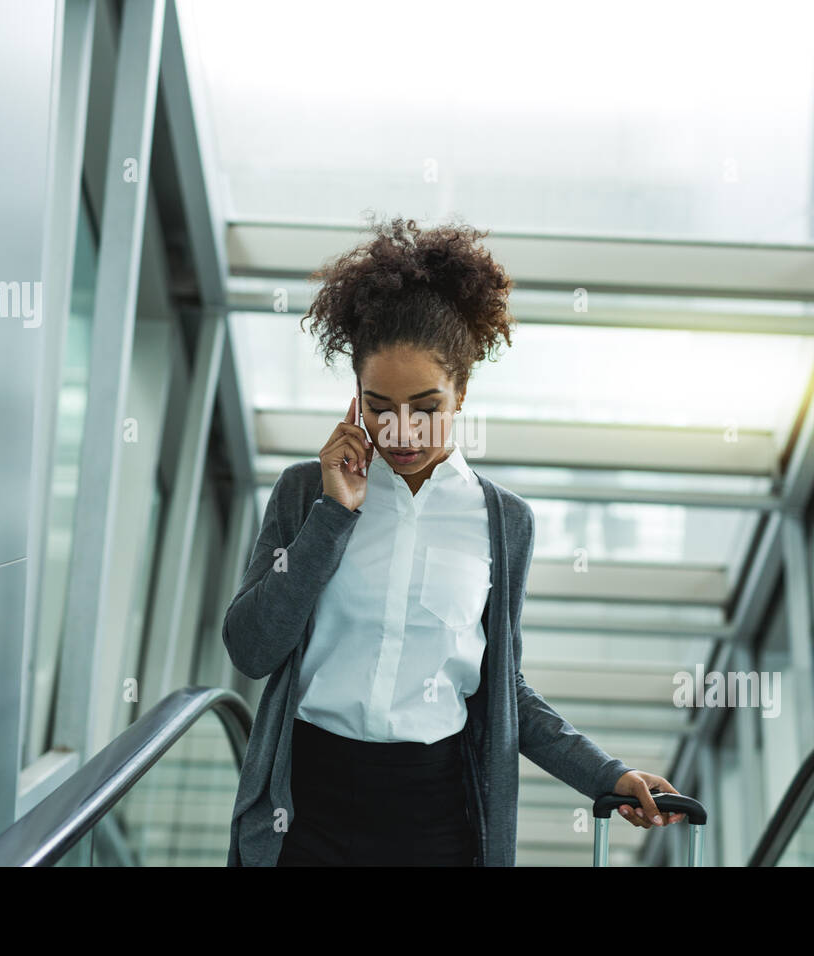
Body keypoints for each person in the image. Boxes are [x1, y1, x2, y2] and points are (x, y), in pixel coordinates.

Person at [224, 215, 686, 866]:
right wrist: (334, 515)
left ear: (462, 391)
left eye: (427, 405)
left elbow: (504, 688)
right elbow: (251, 647)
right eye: (379, 405)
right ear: (355, 399)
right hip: (305, 808)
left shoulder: (505, 523)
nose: (402, 430)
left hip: (435, 816)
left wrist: (606, 774)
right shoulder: (307, 493)